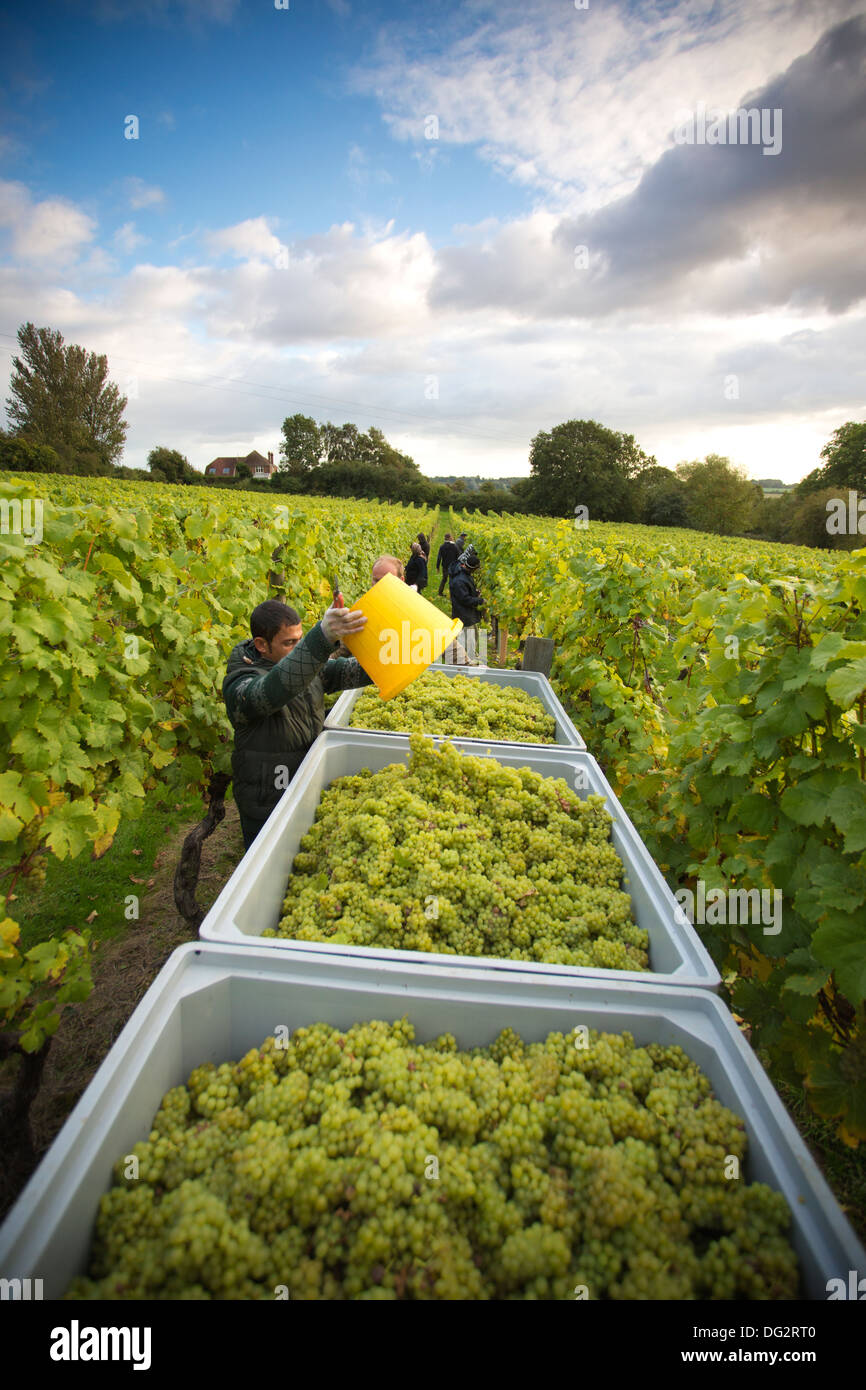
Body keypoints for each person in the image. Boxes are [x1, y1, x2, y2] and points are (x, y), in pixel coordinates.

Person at [223, 596, 370, 850]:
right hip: (266, 802)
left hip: (305, 782)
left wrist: (396, 657)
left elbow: (343, 672)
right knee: (269, 865)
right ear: (261, 645)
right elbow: (274, 689)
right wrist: (320, 639)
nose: (298, 647)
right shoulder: (241, 686)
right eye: (289, 643)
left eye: (300, 639)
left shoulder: (303, 666)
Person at [448, 544, 484, 661]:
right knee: (469, 640)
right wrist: (479, 600)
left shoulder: (463, 573)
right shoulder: (460, 580)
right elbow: (464, 599)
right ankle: (467, 662)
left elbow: (466, 593)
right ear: (472, 568)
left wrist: (474, 592)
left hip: (467, 614)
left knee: (474, 636)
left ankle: (470, 657)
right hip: (463, 614)